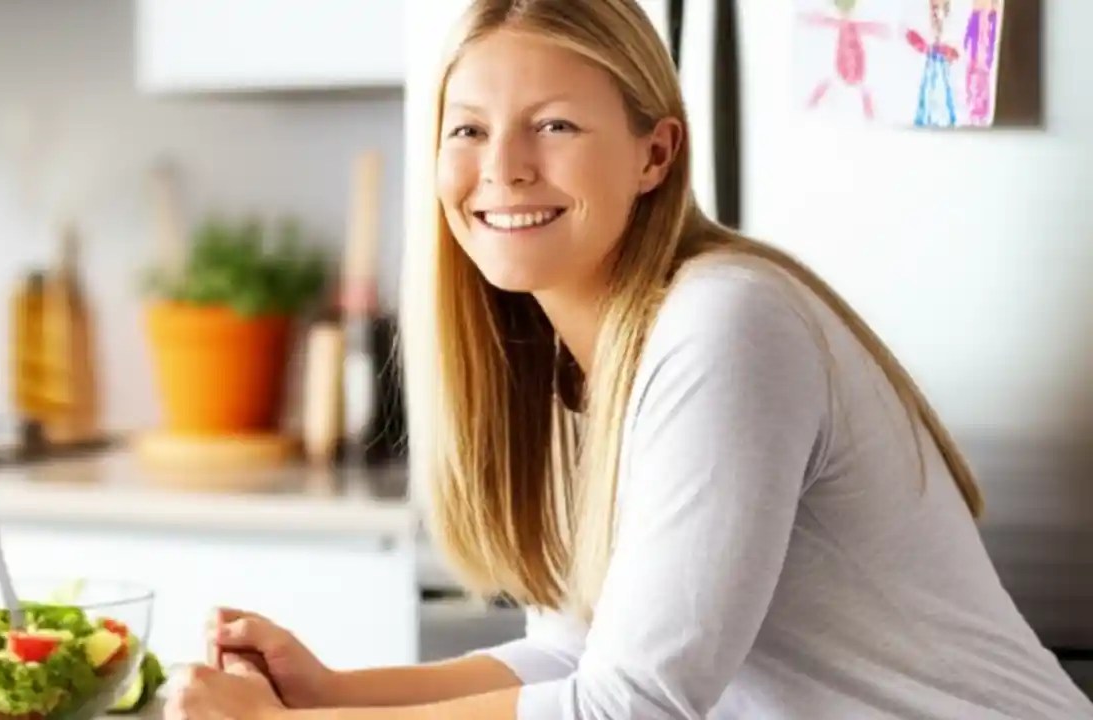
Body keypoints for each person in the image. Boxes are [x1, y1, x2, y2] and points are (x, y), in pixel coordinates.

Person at [165, 1, 1093, 718]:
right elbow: (582, 658)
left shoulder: (725, 323)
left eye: (555, 125)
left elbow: (634, 706)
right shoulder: (572, 357)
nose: (505, 167)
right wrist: (333, 691)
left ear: (656, 155)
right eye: (469, 128)